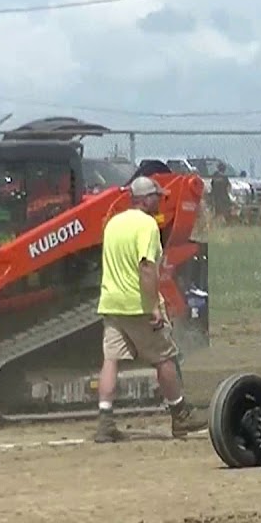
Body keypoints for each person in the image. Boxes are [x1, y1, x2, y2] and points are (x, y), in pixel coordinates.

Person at [95, 176, 208, 443]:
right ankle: (180, 415)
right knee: (164, 357)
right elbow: (146, 267)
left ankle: (105, 422)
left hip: (111, 303)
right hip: (138, 305)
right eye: (157, 196)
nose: (160, 201)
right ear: (145, 199)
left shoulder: (113, 223)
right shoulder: (147, 226)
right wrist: (154, 306)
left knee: (111, 360)